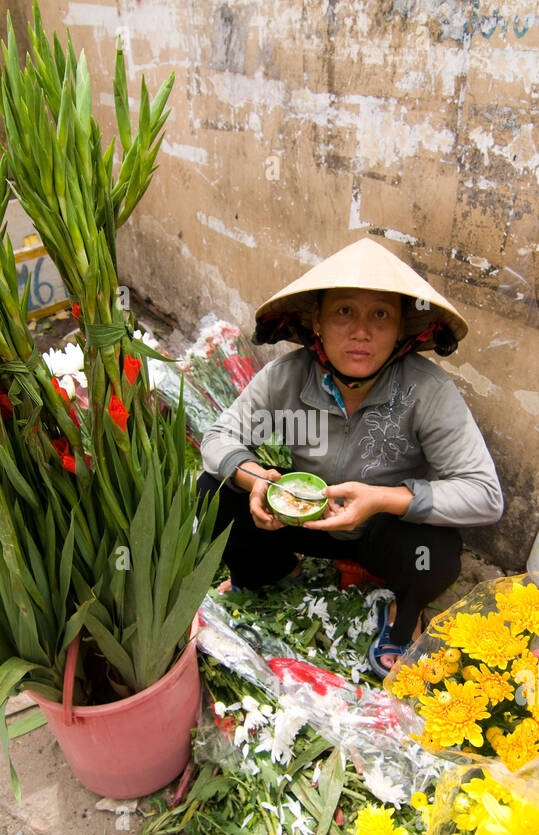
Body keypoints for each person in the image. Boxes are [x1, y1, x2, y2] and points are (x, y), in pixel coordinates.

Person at [199, 238, 504, 675]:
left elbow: (485, 495)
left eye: (380, 315)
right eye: (344, 311)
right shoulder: (286, 376)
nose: (361, 332)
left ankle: (405, 614)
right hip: (304, 514)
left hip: (379, 531)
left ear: (401, 328)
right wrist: (255, 479)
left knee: (435, 553)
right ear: (317, 320)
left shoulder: (429, 391)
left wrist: (382, 499)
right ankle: (275, 570)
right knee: (214, 490)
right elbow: (218, 437)